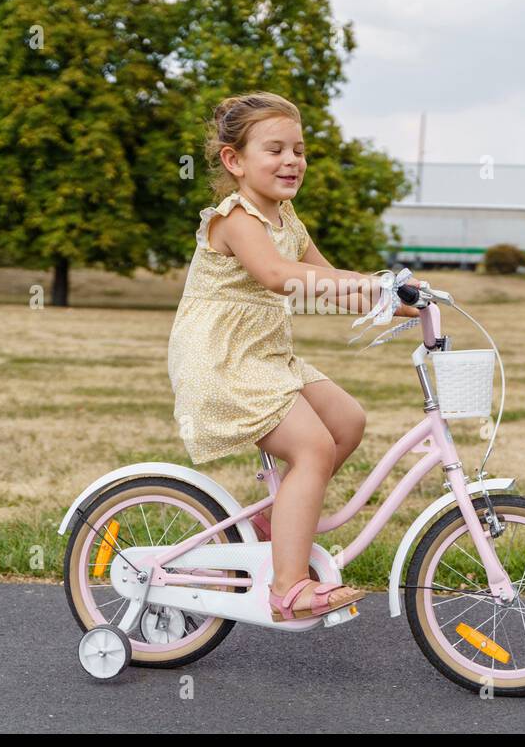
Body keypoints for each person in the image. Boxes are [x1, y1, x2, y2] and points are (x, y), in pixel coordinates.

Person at [167, 91, 419, 622]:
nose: (291, 161)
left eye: (299, 150)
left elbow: (328, 286)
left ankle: (270, 530)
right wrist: (367, 282)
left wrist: (402, 304)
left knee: (347, 421)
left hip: (266, 356)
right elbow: (280, 277)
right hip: (223, 362)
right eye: (275, 149)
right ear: (234, 162)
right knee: (312, 448)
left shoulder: (288, 219)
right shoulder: (235, 219)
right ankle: (288, 589)